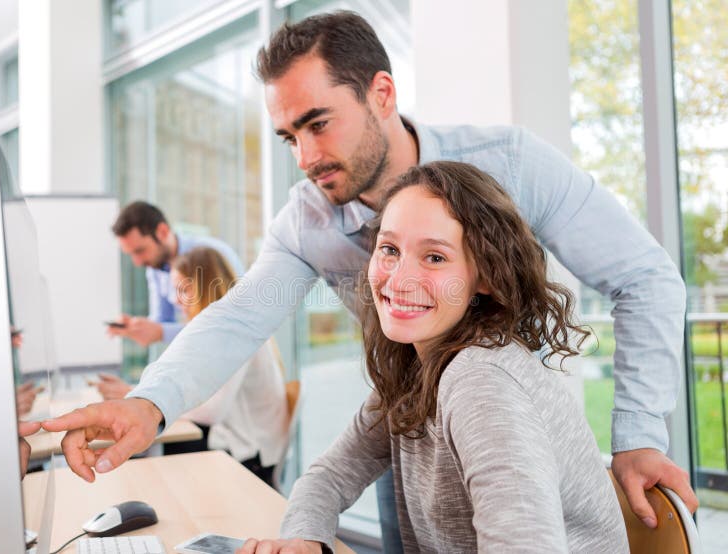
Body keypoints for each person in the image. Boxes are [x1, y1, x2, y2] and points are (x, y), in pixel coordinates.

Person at [43, 10, 697, 541]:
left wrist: (638, 435)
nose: (304, 157)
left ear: (381, 93)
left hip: (514, 443)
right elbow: (241, 316)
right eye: (287, 137)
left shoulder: (511, 164)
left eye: (318, 125)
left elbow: (647, 279)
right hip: (417, 443)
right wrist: (148, 403)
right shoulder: (311, 222)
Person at [240, 161, 629, 553]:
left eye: (435, 257)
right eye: (389, 249)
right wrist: (304, 540)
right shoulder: (416, 370)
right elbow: (328, 478)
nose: (400, 279)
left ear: (487, 277)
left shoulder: (482, 381)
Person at [93, 247, 288, 486]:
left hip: (249, 456)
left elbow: (211, 412)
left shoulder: (232, 332)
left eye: (184, 289)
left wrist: (142, 400)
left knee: (163, 449)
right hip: (238, 441)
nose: (176, 300)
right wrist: (141, 396)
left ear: (205, 288)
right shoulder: (224, 327)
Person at [107, 201, 244, 346]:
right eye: (131, 255)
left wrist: (161, 332)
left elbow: (222, 327)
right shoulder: (155, 267)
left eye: (140, 251)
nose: (138, 262)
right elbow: (162, 322)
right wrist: (136, 327)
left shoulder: (209, 256)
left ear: (162, 232)